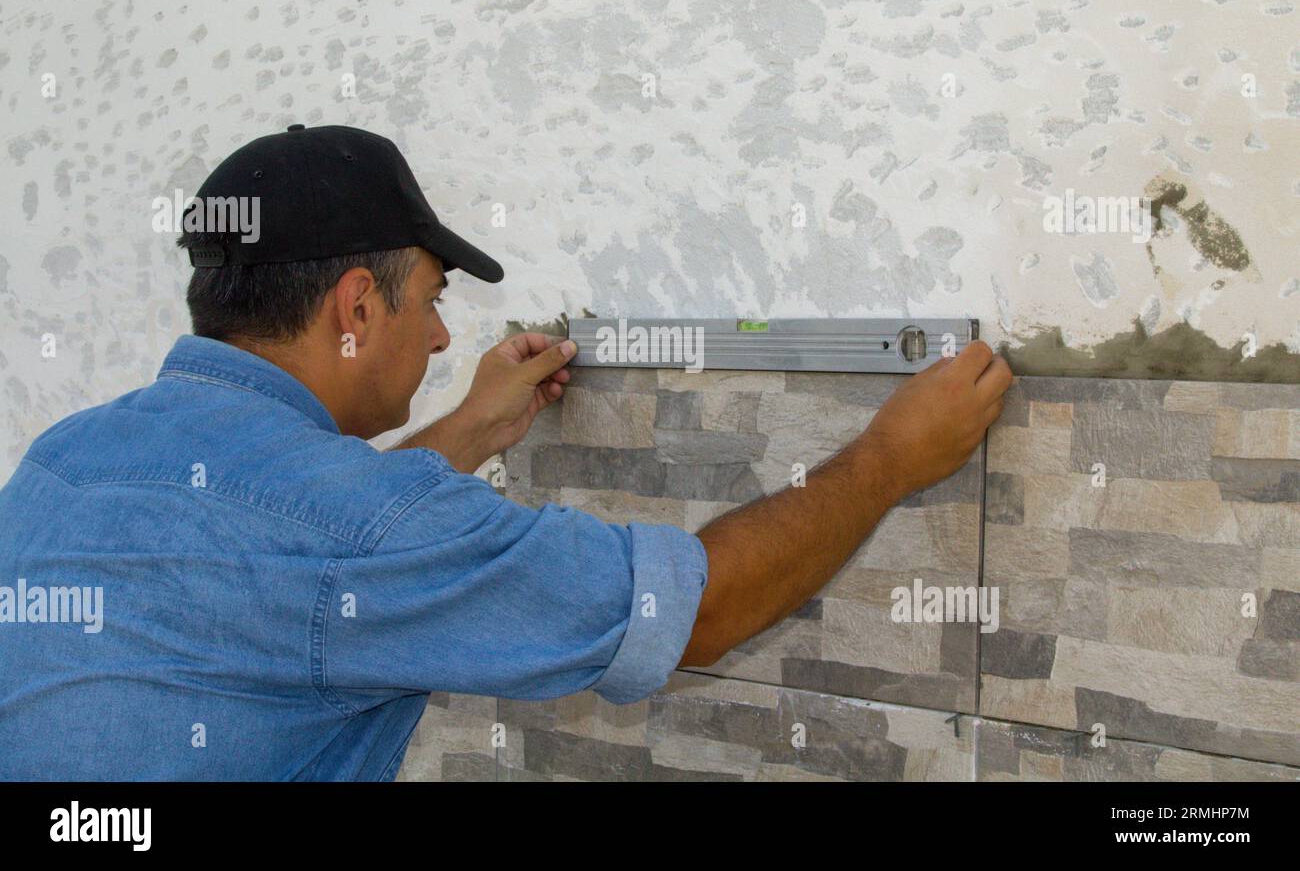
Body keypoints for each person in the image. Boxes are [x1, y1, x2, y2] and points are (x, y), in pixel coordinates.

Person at [0, 125, 1012, 779]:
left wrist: (476, 428)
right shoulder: (361, 532)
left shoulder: (62, 458)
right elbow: (694, 611)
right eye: (434, 301)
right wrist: (891, 454)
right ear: (357, 307)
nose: (443, 338)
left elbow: (300, 545)